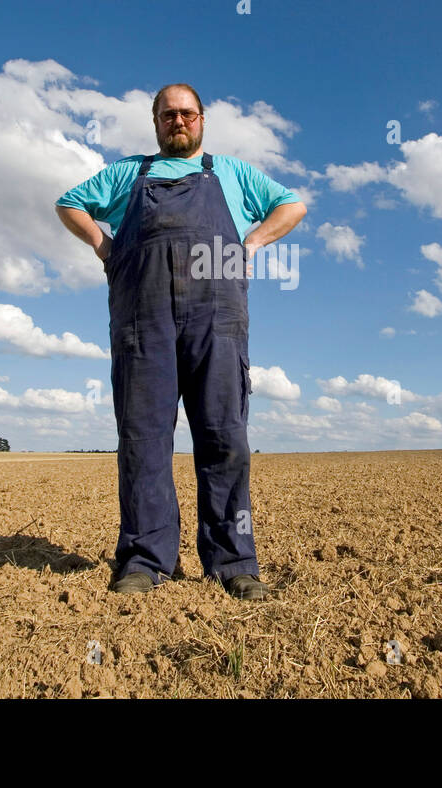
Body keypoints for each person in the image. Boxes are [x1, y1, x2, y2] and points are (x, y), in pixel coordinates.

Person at [54, 83, 306, 600]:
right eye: (168, 114)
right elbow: (69, 203)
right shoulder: (130, 172)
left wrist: (252, 241)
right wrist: (107, 246)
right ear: (155, 122)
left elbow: (292, 205)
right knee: (144, 440)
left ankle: (234, 562)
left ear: (202, 119)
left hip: (217, 320)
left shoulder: (231, 173)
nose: (178, 122)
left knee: (224, 438)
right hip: (143, 322)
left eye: (187, 114)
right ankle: (144, 561)